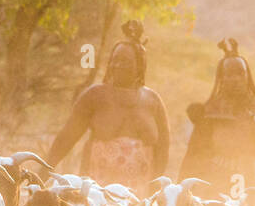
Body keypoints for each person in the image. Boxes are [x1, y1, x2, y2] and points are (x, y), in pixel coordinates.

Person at [46, 21, 170, 193]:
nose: (118, 65)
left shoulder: (153, 100)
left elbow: (163, 148)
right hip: (97, 197)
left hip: (140, 197)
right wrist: (44, 169)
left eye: (125, 61)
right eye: (115, 60)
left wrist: (155, 188)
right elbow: (66, 137)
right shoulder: (95, 96)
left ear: (140, 65)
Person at [178, 38, 255, 194]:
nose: (236, 80)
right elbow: (194, 156)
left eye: (240, 74)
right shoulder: (210, 113)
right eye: (230, 74)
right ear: (222, 78)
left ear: (248, 76)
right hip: (217, 183)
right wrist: (183, 191)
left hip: (254, 183)